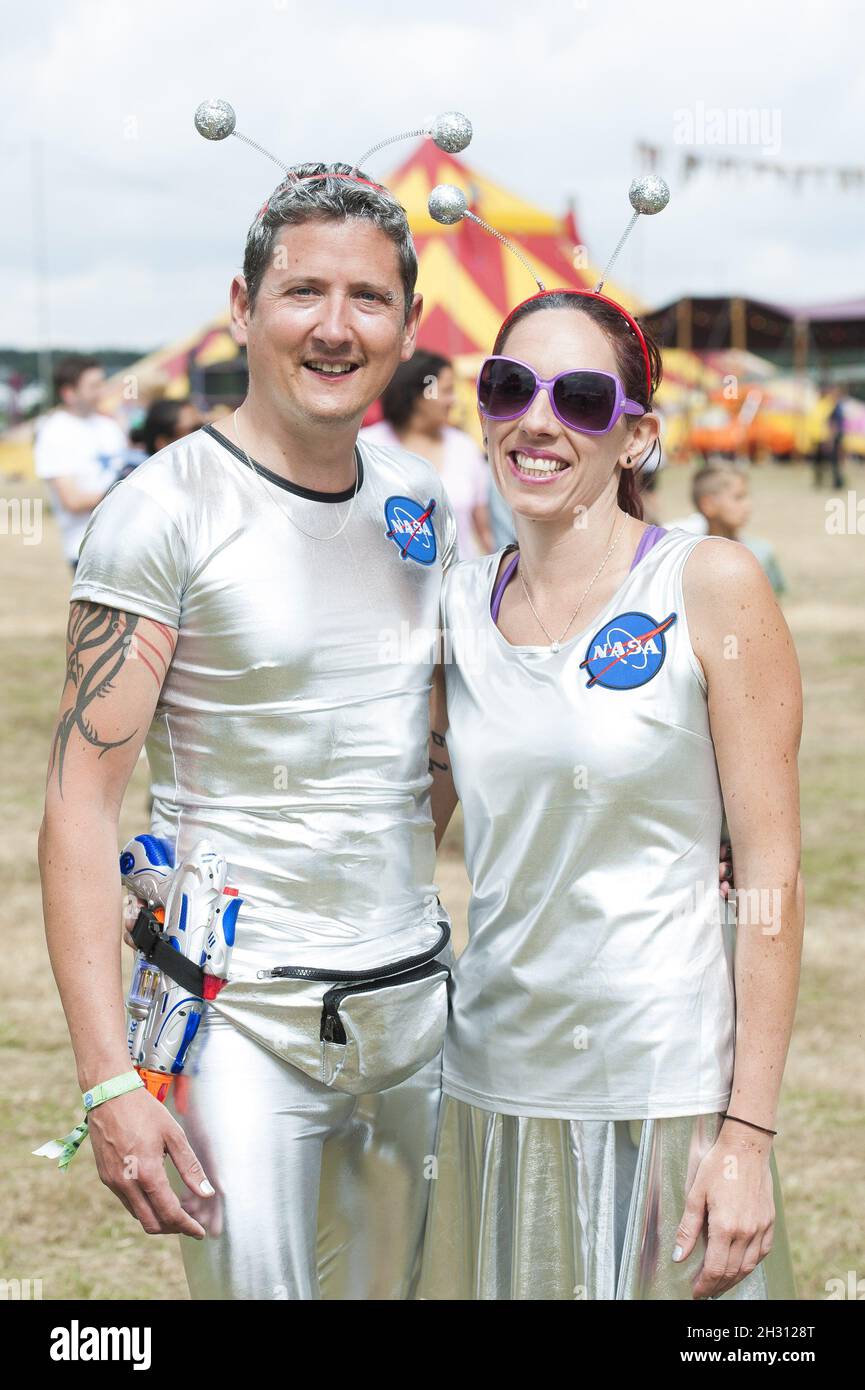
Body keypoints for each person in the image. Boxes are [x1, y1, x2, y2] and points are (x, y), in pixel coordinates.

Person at [37, 157, 460, 1300]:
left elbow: (450, 740)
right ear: (240, 307)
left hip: (416, 1015)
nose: (336, 326)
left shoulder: (423, 501)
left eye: (368, 298)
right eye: (302, 292)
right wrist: (107, 1079)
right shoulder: (161, 509)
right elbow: (80, 806)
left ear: (408, 322)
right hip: (240, 1029)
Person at [419, 288, 803, 1300]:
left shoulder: (707, 583)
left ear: (635, 436)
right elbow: (398, 837)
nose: (538, 422)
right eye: (509, 387)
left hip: (667, 1093)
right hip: (490, 1088)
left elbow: (770, 870)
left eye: (580, 398)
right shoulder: (454, 608)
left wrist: (747, 1134)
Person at [360, 349, 494, 556]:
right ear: (418, 395)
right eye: (447, 391)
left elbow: (486, 534)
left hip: (458, 585)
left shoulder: (464, 448)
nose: (454, 401)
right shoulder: (365, 446)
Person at [34, 355, 128, 572]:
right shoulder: (53, 433)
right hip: (86, 551)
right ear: (69, 393)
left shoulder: (110, 425)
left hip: (127, 546)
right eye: (93, 386)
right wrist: (123, 491)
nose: (101, 391)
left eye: (102, 383)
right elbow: (72, 501)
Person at [669, 463, 786, 598]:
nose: (748, 505)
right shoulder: (689, 560)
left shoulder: (762, 553)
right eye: (738, 497)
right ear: (708, 504)